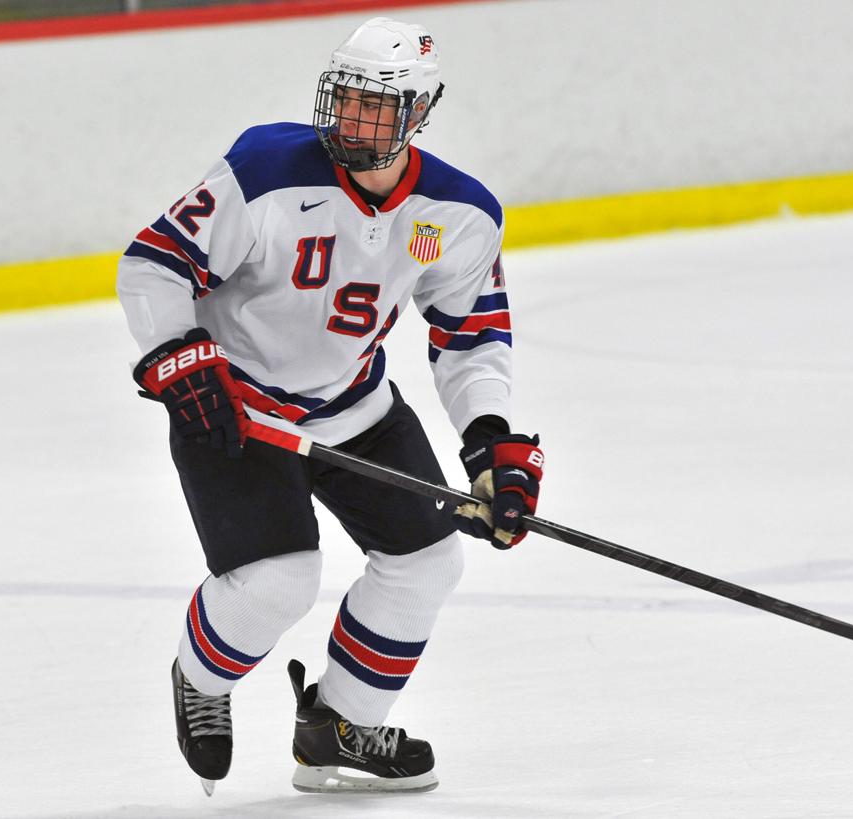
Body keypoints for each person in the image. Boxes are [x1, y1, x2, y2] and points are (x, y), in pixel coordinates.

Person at [117, 16, 544, 795]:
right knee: (279, 581)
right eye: (344, 99)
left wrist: (489, 441)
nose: (352, 119)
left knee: (427, 561)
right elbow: (152, 264)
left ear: (417, 114)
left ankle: (337, 726)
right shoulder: (266, 169)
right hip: (235, 409)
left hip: (357, 404)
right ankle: (200, 675)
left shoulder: (458, 214)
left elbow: (472, 337)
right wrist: (176, 351)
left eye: (376, 107)